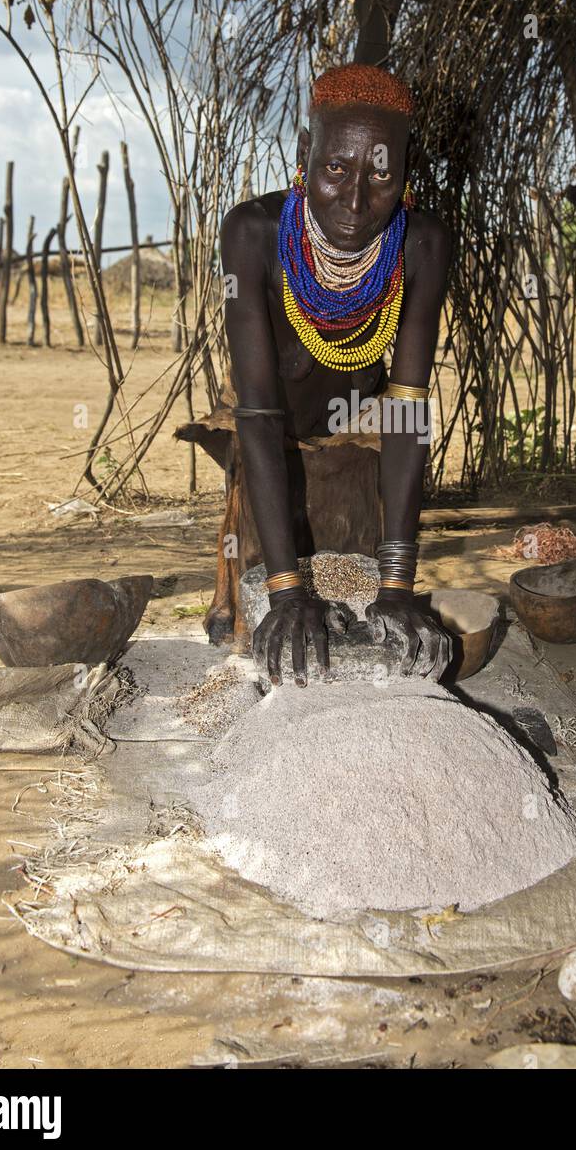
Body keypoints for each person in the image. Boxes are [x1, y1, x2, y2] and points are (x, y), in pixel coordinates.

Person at [182, 63, 452, 687]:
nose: (356, 202)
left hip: (356, 430)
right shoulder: (253, 233)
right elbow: (257, 410)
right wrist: (283, 589)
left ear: (405, 172)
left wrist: (399, 584)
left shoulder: (423, 245)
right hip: (265, 427)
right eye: (336, 169)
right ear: (306, 153)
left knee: (359, 610)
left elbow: (406, 411)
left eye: (381, 174)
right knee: (274, 629)